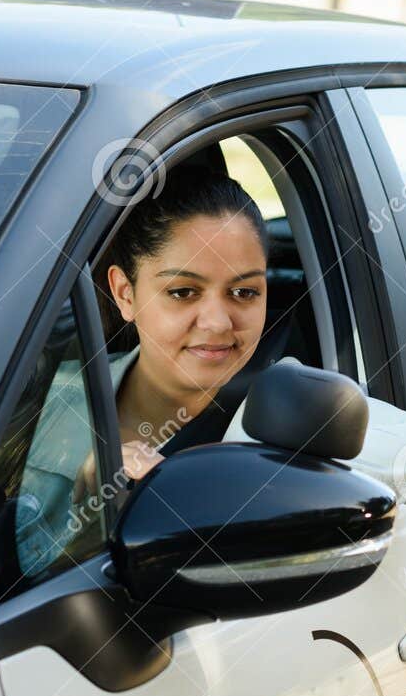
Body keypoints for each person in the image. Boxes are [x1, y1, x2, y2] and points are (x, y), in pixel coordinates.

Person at [14, 166, 269, 578]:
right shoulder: (40, 401)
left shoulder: (286, 427)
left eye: (244, 292)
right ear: (125, 293)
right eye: (183, 292)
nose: (219, 323)